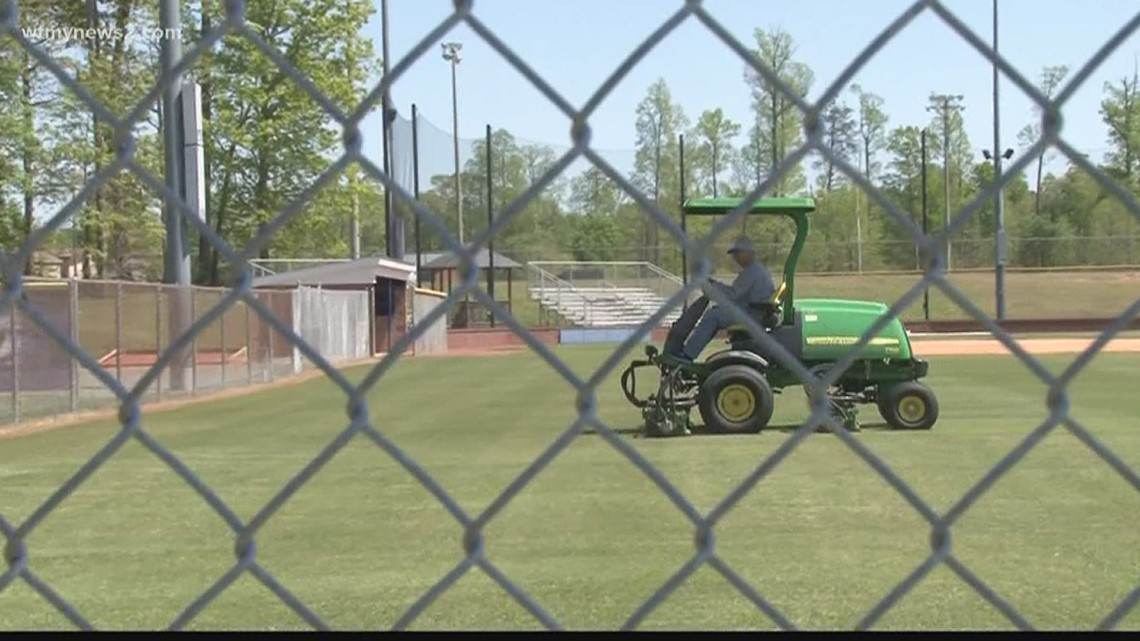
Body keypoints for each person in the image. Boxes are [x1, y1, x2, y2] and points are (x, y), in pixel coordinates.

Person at [679, 238, 776, 361]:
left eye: (738, 254)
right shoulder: (755, 269)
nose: (735, 257)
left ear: (748, 253)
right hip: (753, 312)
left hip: (752, 315)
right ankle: (689, 352)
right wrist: (715, 284)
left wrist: (713, 287)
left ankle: (688, 355)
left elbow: (733, 295)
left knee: (713, 316)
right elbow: (736, 293)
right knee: (716, 312)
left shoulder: (753, 271)